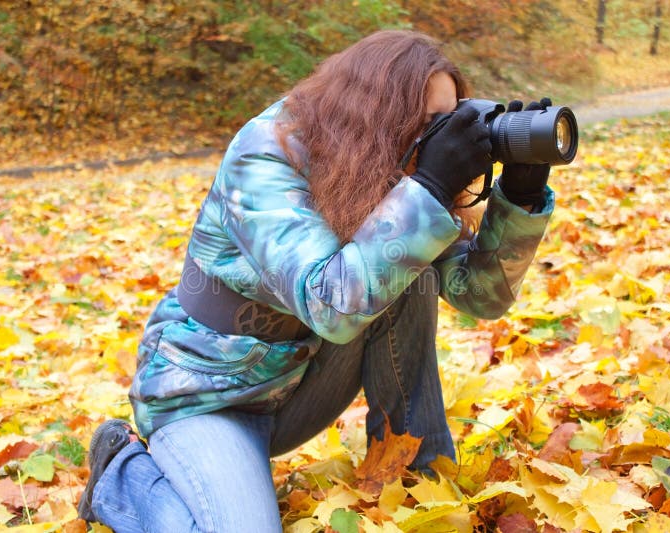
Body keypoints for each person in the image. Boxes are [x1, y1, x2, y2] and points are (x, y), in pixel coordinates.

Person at [77, 29, 554, 532]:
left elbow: (479, 295)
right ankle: (121, 475)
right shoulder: (265, 152)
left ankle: (420, 478)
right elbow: (329, 302)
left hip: (302, 383)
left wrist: (518, 198)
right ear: (377, 114)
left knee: (405, 273)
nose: (442, 141)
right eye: (430, 125)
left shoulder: (392, 163)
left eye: (450, 121)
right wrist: (429, 187)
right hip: (208, 393)